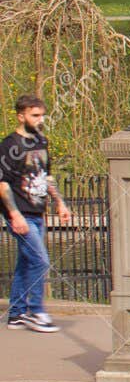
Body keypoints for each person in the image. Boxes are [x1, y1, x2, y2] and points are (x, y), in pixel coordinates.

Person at [2, 94, 69, 333]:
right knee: (41, 262)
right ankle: (36, 311)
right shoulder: (10, 145)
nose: (40, 120)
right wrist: (14, 215)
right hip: (20, 214)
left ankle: (16, 314)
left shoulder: (41, 141)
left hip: (37, 212)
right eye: (35, 115)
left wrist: (59, 202)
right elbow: (2, 184)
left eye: (42, 115)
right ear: (21, 116)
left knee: (26, 263)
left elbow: (46, 176)